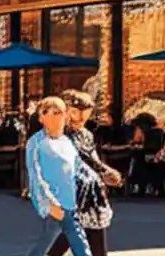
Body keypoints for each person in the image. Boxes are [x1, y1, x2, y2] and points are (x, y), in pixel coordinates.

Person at [46, 90, 119, 256]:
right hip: (72, 190)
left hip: (91, 190)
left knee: (82, 232)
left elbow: (93, 158)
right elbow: (81, 157)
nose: (80, 119)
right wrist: (105, 171)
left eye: (85, 115)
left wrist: (104, 173)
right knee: (78, 232)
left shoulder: (86, 134)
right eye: (76, 114)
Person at [24, 96, 92, 256]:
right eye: (51, 113)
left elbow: (78, 167)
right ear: (41, 118)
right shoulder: (36, 143)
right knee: (55, 242)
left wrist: (95, 181)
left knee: (69, 241)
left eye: (60, 112)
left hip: (70, 203)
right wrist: (48, 204)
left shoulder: (66, 142)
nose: (57, 117)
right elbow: (35, 176)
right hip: (53, 204)